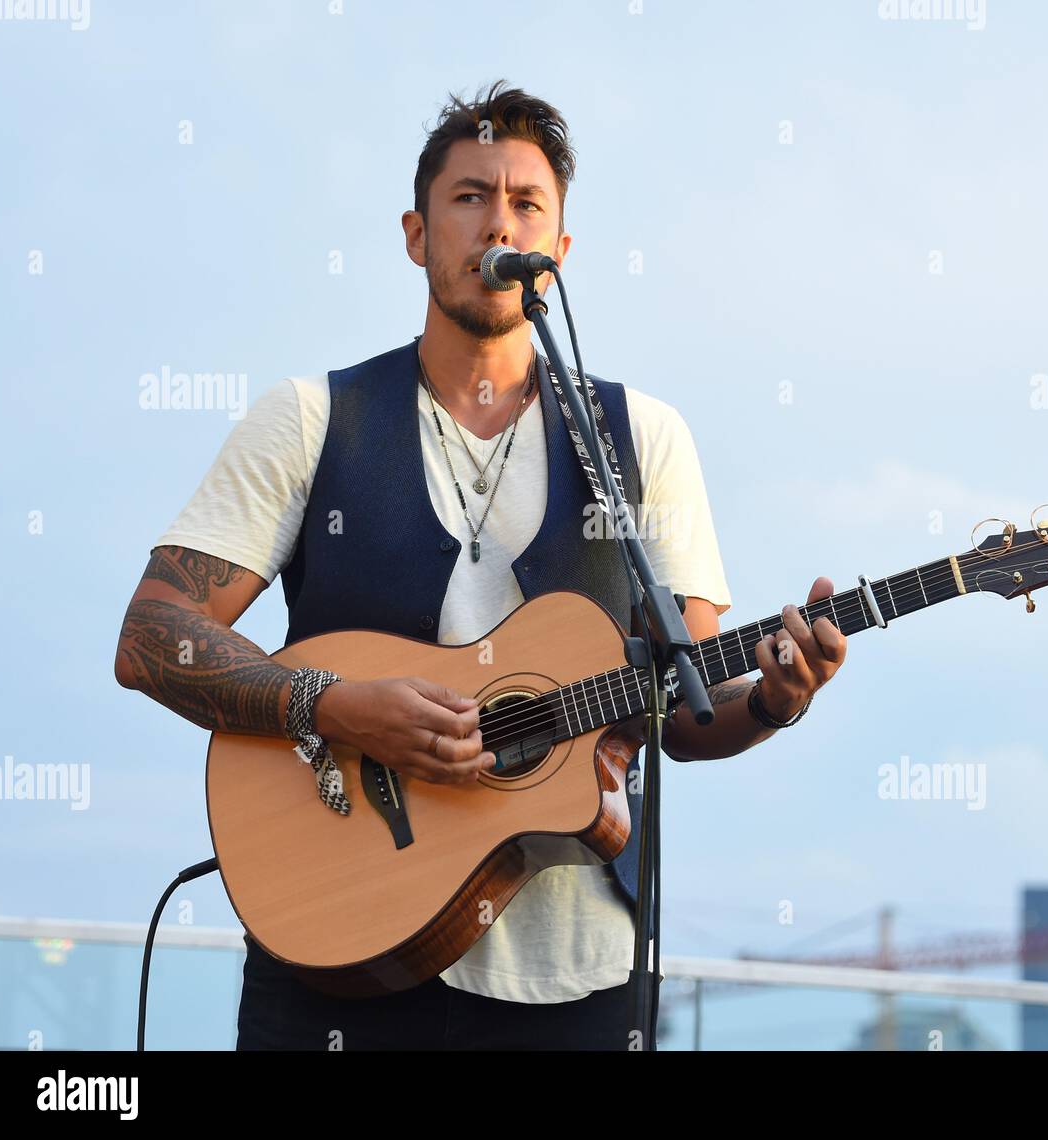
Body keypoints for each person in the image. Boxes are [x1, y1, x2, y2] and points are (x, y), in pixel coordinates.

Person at [113, 79, 847, 1051]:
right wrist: (331, 705)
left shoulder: (643, 439)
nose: (495, 221)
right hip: (335, 960)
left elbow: (685, 708)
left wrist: (773, 701)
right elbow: (151, 636)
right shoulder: (310, 419)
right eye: (468, 198)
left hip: (578, 981)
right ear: (417, 234)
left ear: (558, 252)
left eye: (525, 203)